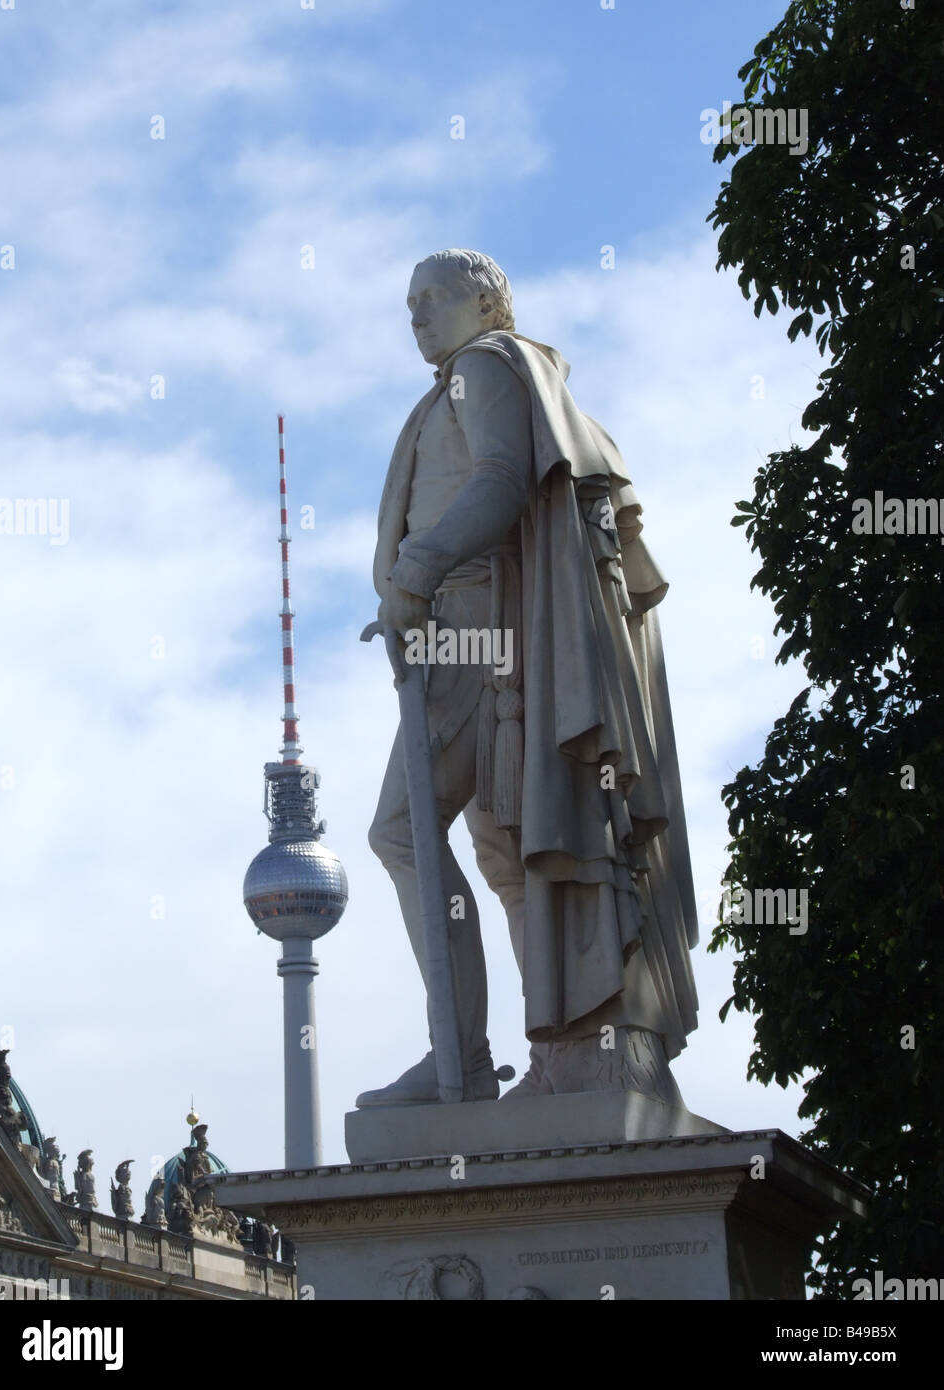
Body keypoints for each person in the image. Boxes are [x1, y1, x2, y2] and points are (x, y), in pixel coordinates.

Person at [359, 249, 698, 1107]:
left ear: (486, 302)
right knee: (508, 849)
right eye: (408, 303)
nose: (416, 314)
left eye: (433, 297)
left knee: (404, 830)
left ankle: (466, 1062)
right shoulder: (466, 381)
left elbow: (503, 479)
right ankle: (565, 1047)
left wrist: (417, 572)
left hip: (473, 624)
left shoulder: (486, 366)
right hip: (467, 627)